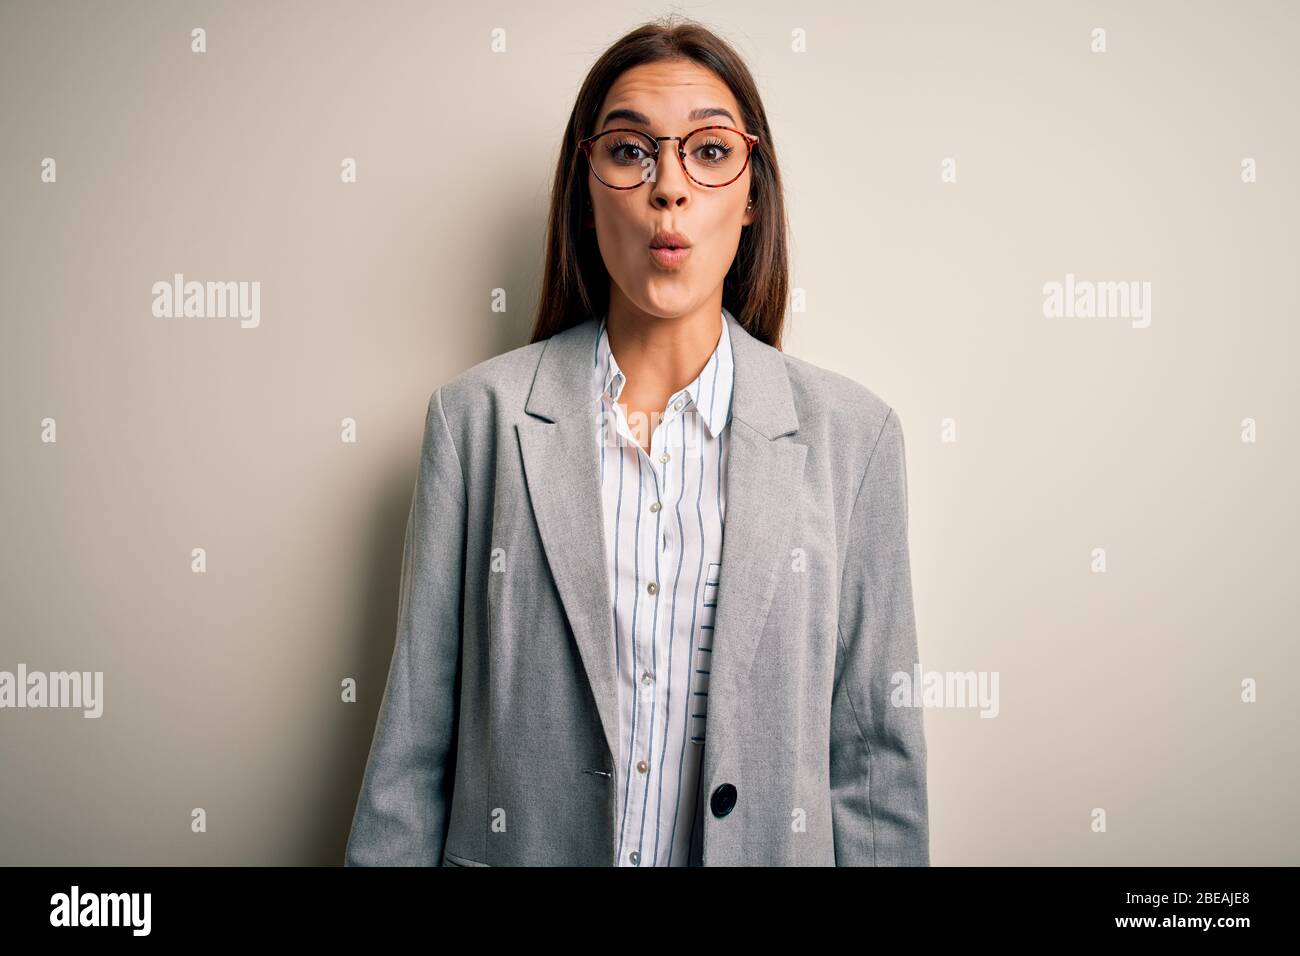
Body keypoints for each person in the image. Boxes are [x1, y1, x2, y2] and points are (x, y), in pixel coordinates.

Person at [345, 17, 929, 867]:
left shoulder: (856, 440)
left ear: (751, 194)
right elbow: (411, 751)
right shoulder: (475, 424)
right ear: (586, 186)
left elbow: (877, 769)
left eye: (710, 150)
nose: (669, 188)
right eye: (630, 151)